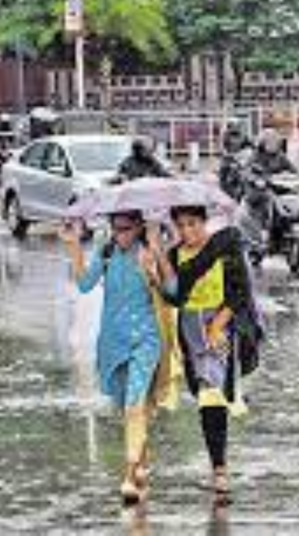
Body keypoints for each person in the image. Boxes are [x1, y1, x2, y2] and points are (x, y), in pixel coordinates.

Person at [146, 206, 255, 507]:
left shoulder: (224, 246)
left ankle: (219, 470)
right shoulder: (175, 254)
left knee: (210, 393)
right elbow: (175, 296)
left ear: (204, 222)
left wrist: (219, 324)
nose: (187, 232)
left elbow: (241, 291)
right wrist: (156, 258)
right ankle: (218, 464)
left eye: (193, 224)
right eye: (180, 226)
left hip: (219, 327)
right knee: (206, 392)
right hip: (190, 334)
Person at [59, 212, 166, 506]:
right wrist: (73, 246)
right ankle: (142, 461)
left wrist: (155, 268)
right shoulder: (106, 253)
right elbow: (83, 285)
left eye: (126, 229)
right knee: (127, 407)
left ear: (139, 227)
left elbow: (171, 292)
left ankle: (130, 474)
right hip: (113, 343)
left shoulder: (149, 252)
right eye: (115, 228)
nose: (120, 234)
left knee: (134, 404)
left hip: (145, 340)